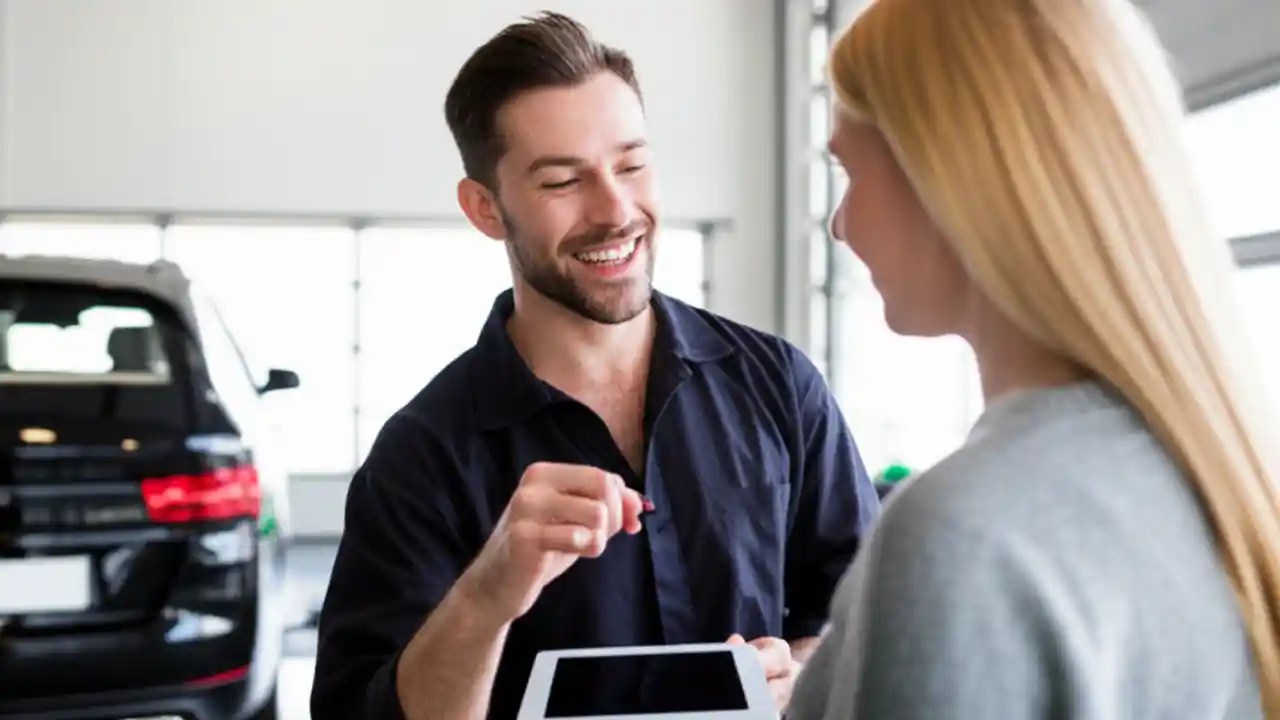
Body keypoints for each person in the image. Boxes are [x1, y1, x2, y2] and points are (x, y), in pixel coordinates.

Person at [311, 12, 880, 720]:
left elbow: (866, 623)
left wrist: (800, 672)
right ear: (486, 209)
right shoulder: (423, 454)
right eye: (561, 182)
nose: (615, 211)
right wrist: (488, 595)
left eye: (632, 165)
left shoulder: (780, 387)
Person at [787, 0, 1280, 717]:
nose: (841, 222)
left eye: (851, 173)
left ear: (948, 175)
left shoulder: (964, 534)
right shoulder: (1219, 469)